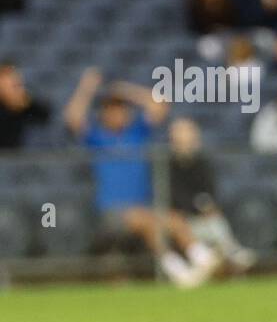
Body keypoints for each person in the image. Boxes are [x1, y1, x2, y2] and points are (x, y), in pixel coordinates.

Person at [63, 69, 217, 287]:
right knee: (146, 221)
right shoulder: (97, 138)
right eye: (112, 110)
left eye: (121, 109)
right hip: (112, 213)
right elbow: (73, 118)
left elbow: (161, 104)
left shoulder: (136, 133)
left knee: (174, 219)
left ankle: (202, 258)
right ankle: (176, 270)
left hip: (143, 208)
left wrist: (125, 90)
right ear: (104, 114)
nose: (117, 114)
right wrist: (88, 87)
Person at [167, 118, 255, 272]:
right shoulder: (165, 164)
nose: (185, 142)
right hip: (180, 221)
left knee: (216, 220)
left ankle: (229, 252)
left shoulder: (202, 163)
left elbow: (209, 191)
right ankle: (213, 259)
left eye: (189, 137)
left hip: (203, 218)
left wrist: (205, 205)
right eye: (180, 138)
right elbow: (174, 197)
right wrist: (197, 206)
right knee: (208, 225)